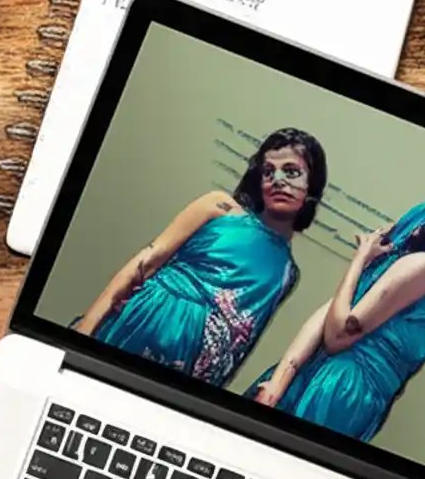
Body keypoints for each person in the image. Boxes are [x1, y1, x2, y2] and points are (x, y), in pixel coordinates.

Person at [248, 180, 425, 441]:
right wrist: (359, 260)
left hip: (342, 391)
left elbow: (327, 315)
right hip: (341, 390)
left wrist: (278, 383)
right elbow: (336, 337)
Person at [74, 128, 328, 387]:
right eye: (267, 171)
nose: (277, 180)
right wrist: (85, 329)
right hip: (144, 322)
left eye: (292, 172)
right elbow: (146, 260)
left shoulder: (288, 272)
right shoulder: (221, 208)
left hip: (195, 370)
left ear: (312, 185)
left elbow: (246, 339)